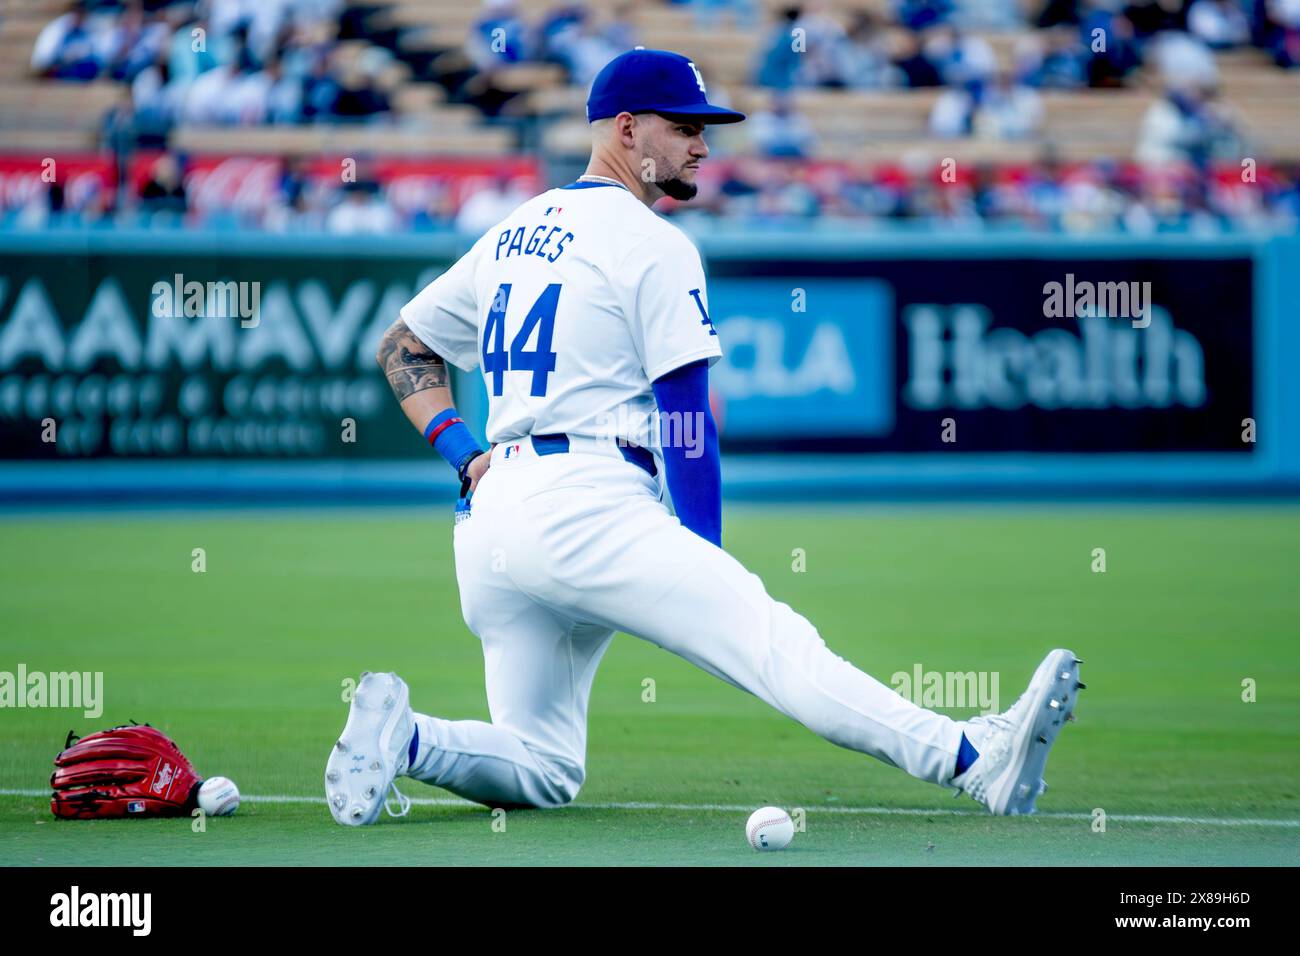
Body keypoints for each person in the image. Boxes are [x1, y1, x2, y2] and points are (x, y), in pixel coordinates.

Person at [326, 48, 1083, 826]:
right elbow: (688, 417)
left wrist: (464, 453)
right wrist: (707, 558)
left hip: (494, 521)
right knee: (772, 643)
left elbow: (400, 345)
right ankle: (971, 759)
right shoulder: (650, 241)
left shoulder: (515, 231)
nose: (701, 146)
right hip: (588, 504)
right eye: (684, 128)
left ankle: (407, 739)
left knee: (547, 765)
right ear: (626, 129)